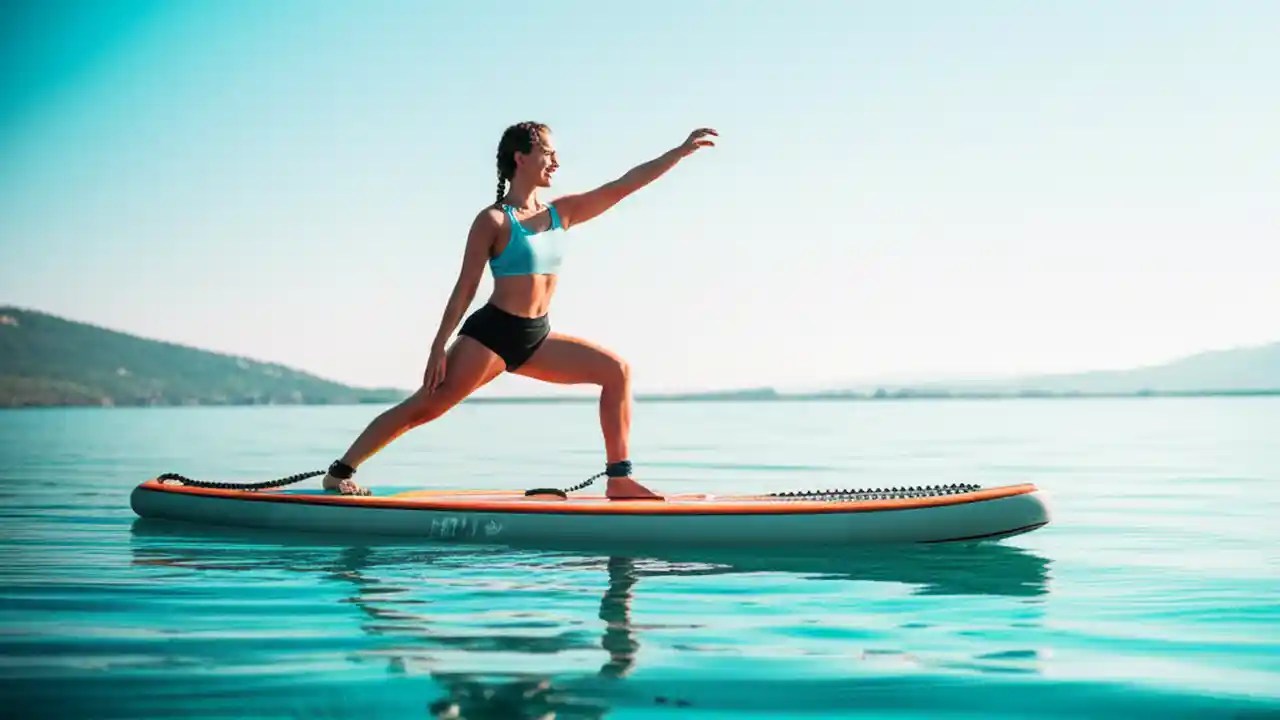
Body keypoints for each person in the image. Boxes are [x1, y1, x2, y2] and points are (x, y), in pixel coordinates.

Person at [320, 122, 718, 498]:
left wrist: (679, 152)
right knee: (424, 408)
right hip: (491, 336)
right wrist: (438, 345)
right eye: (548, 152)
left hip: (536, 336)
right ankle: (340, 473)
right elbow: (465, 288)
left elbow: (624, 185)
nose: (556, 162)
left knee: (617, 371)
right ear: (521, 158)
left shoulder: (562, 213)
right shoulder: (493, 220)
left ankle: (619, 479)